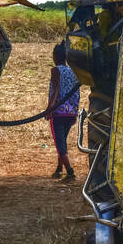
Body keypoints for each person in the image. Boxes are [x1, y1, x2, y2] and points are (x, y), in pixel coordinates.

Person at [47, 45, 81, 180]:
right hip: (71, 112)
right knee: (62, 141)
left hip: (59, 112)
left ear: (55, 57)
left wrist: (49, 108)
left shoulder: (56, 70)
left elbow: (55, 91)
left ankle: (70, 171)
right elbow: (77, 92)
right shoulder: (74, 71)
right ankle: (59, 169)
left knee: (60, 143)